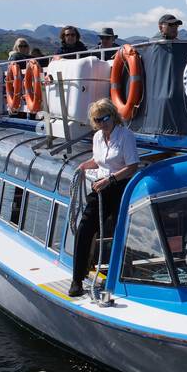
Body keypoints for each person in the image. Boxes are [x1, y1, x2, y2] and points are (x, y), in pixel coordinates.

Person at [69, 99, 140, 297]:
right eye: (98, 120)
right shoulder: (98, 137)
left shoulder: (125, 136)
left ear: (113, 116)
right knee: (84, 229)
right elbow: (99, 160)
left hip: (121, 186)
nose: (102, 123)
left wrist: (110, 180)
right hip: (102, 188)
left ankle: (124, 274)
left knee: (120, 230)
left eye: (105, 118)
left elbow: (132, 166)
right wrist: (84, 166)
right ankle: (77, 279)